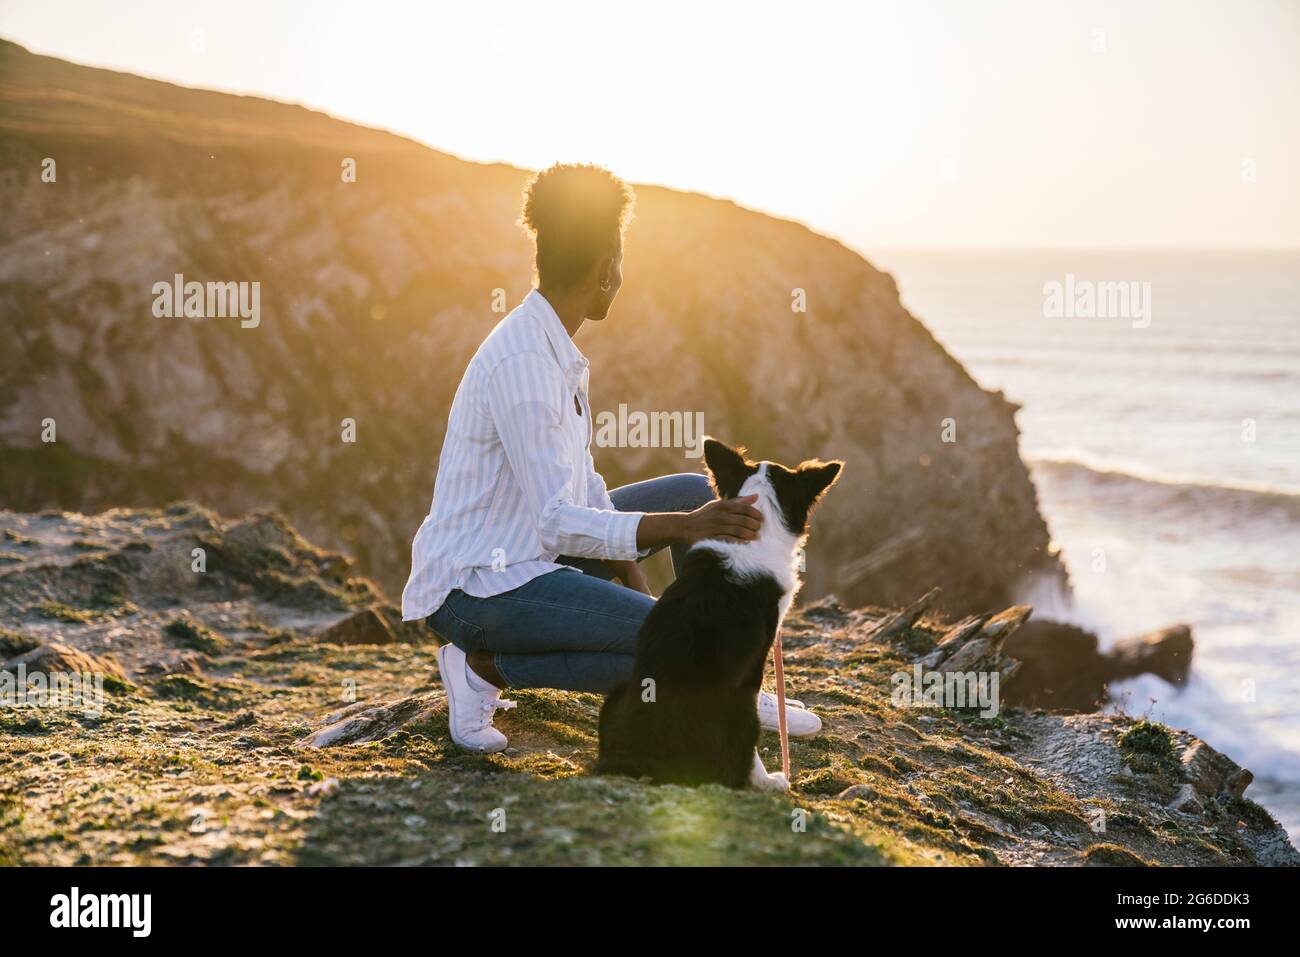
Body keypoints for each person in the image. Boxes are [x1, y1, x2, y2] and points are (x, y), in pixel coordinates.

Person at [401, 163, 821, 752]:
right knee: (672, 646)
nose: (622, 276)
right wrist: (685, 533)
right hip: (478, 588)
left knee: (694, 493)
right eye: (621, 262)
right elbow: (556, 519)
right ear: (605, 268)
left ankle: (731, 673)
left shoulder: (555, 349)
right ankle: (481, 672)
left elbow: (584, 489)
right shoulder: (525, 364)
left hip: (537, 552)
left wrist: (636, 581)